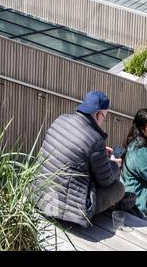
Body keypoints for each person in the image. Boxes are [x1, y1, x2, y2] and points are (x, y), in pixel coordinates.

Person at [35, 91, 128, 227]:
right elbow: (106, 180)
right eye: (104, 116)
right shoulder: (95, 139)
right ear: (98, 114)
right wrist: (114, 164)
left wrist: (101, 154)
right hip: (67, 213)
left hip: (39, 196)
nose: (103, 121)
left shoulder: (61, 119)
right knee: (119, 188)